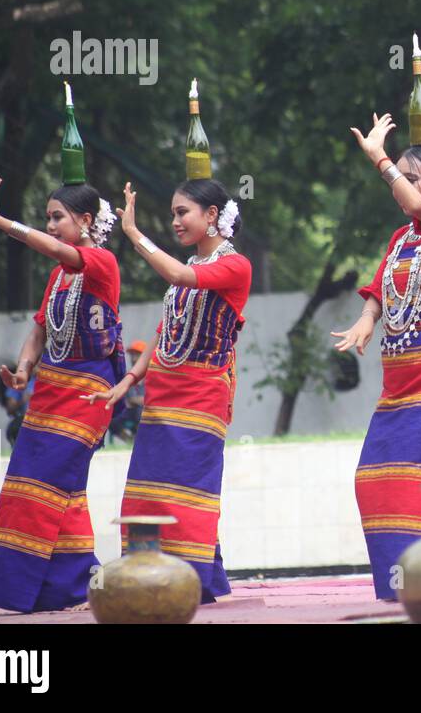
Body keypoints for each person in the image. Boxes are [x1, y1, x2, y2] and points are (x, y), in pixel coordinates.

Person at [87, 81, 252, 604]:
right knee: (150, 489)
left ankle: (192, 581)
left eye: (184, 213)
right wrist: (129, 381)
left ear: (212, 217)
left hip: (202, 396)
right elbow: (166, 332)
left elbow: (182, 279)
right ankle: (186, 576)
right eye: (174, 213)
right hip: (162, 395)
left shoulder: (233, 265)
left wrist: (133, 235)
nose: (176, 220)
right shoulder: (194, 265)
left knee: (188, 489)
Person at [0, 85, 125, 612]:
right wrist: (22, 369)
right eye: (46, 216)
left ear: (85, 223)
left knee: (44, 488)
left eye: (57, 216)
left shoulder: (99, 262)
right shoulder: (59, 279)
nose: (50, 224)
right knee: (49, 489)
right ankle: (69, 587)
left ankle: (54, 587)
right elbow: (39, 330)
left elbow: (58, 250)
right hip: (48, 395)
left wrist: (3, 223)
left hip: (86, 396)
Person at [334, 111, 421, 601]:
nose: (402, 188)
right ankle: (402, 588)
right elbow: (376, 292)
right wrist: (364, 323)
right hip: (398, 381)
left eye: (413, 180)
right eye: (401, 178)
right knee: (375, 480)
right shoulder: (400, 239)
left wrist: (380, 159)